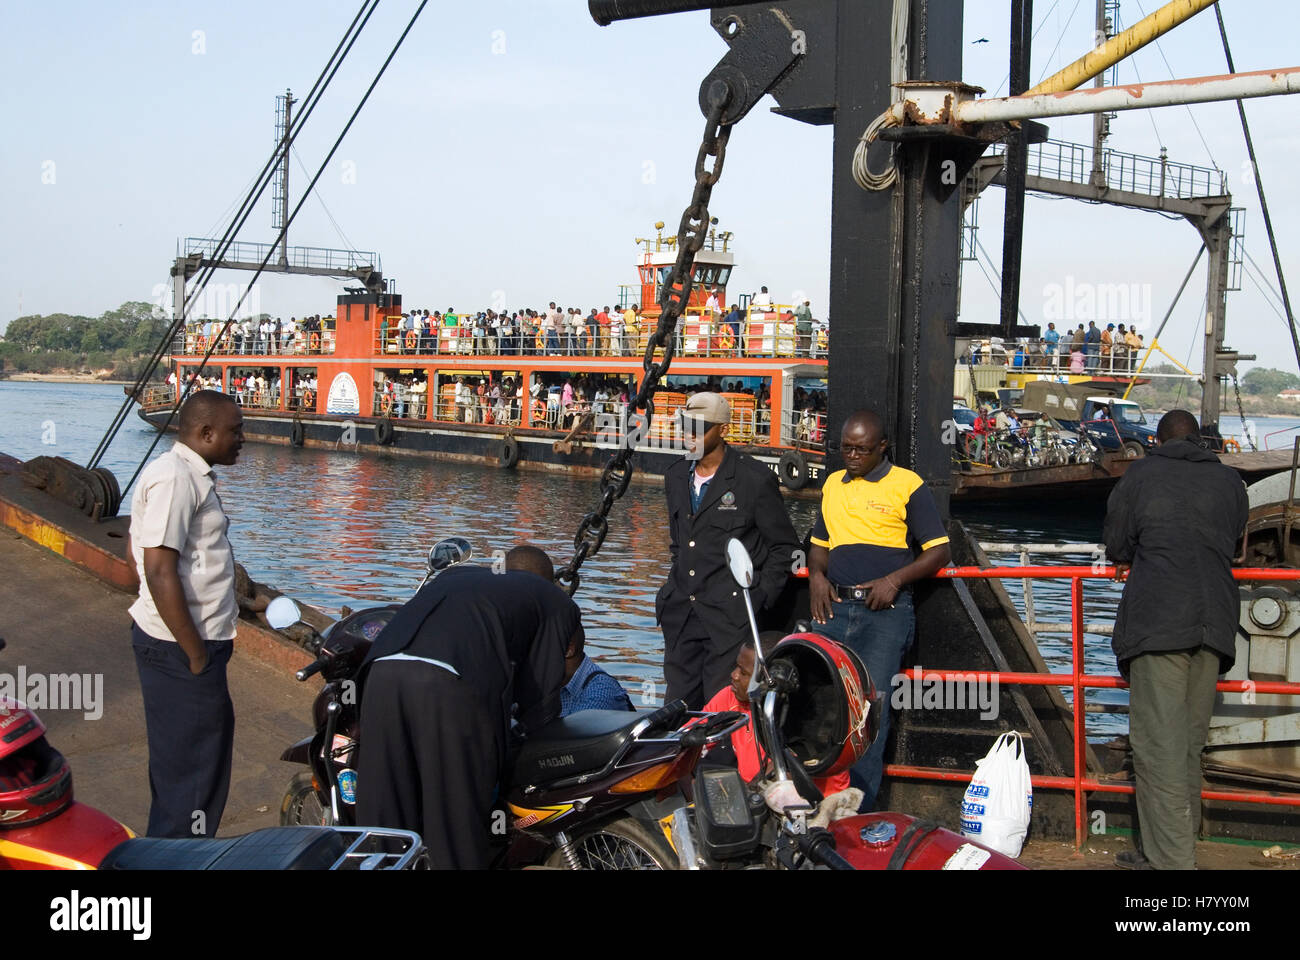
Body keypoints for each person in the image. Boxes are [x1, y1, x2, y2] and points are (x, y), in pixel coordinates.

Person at [355, 543, 581, 869]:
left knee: (386, 812)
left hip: (382, 670)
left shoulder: (458, 575)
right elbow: (541, 697)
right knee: (453, 823)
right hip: (447, 684)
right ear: (550, 580)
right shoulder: (556, 601)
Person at [1103, 409, 1247, 870]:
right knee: (1187, 743)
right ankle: (1168, 848)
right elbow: (1235, 541)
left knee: (1157, 747)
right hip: (1216, 621)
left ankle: (1171, 863)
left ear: (1159, 440)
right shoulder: (1229, 482)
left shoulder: (1141, 473)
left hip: (1161, 620)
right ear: (1200, 440)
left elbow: (1118, 545)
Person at [807, 409, 951, 812]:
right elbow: (820, 542)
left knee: (872, 708)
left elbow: (939, 550)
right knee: (823, 702)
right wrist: (817, 575)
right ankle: (815, 801)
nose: (852, 456)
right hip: (833, 607)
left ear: (882, 447)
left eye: (862, 449)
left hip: (884, 614)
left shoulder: (907, 484)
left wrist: (894, 581)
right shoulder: (833, 483)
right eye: (846, 448)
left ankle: (859, 809)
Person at [127, 390, 246, 838]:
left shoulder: (186, 476)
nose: (243, 439)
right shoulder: (176, 478)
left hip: (182, 647)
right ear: (205, 432)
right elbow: (159, 569)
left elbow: (136, 547)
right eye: (235, 431)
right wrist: (195, 654)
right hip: (181, 652)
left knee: (186, 773)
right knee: (193, 781)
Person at [656, 392, 799, 710]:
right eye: (686, 426)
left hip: (730, 621)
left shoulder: (754, 480)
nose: (690, 436)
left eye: (699, 428)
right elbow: (680, 543)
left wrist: (757, 598)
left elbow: (785, 548)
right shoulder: (676, 476)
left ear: (722, 428)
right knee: (675, 711)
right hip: (681, 616)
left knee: (722, 709)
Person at [702, 636, 850, 795]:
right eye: (736, 667)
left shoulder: (801, 720)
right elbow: (691, 735)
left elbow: (782, 778)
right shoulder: (731, 696)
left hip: (813, 805)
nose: (734, 675)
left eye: (743, 673)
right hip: (758, 796)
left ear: (767, 681)